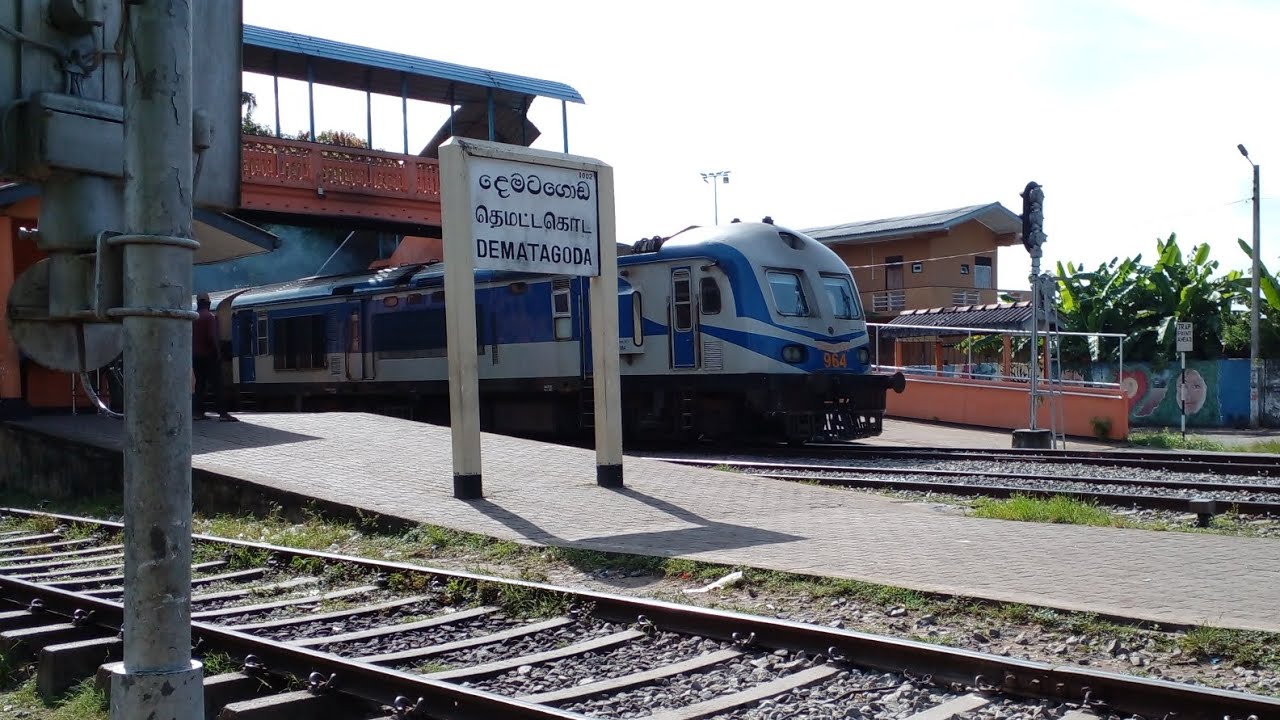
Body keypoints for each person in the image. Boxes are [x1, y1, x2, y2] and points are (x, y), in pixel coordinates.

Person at [192, 293, 236, 422]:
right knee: (218, 385)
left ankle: (198, 413)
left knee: (199, 385)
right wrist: (218, 353)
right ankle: (223, 413)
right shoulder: (209, 317)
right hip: (208, 356)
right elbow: (211, 336)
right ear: (208, 303)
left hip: (195, 356)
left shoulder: (193, 318)